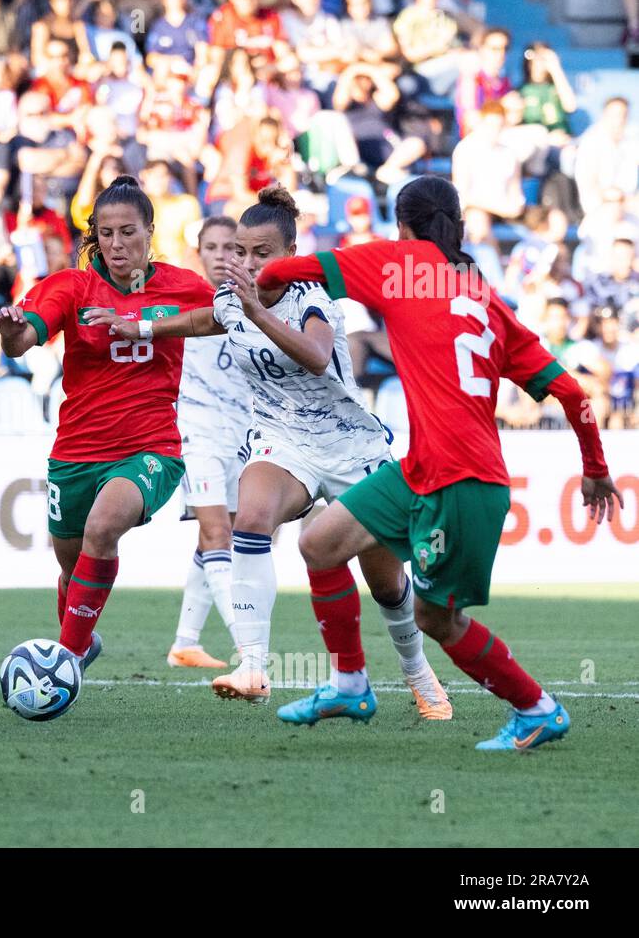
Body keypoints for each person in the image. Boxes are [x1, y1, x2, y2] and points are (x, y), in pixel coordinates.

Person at [254, 175, 621, 750]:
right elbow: (574, 395)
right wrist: (595, 468)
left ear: (401, 226)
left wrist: (260, 289)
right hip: (424, 467)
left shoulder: (396, 263)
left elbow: (280, 273)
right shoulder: (489, 301)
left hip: (462, 481)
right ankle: (350, 682)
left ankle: (537, 708)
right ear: (461, 228)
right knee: (320, 542)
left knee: (436, 618)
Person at [88, 186, 451, 717]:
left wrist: (257, 310)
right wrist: (141, 325)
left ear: (290, 254)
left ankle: (418, 673)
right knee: (252, 519)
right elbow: (200, 321)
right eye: (241, 250)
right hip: (284, 440)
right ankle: (253, 665)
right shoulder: (234, 299)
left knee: (386, 582)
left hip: (351, 446)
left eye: (262, 253)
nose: (247, 261)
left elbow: (316, 355)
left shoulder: (312, 296)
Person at [0, 175, 212, 675]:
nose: (116, 244)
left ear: (151, 232)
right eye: (106, 233)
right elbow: (25, 338)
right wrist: (10, 333)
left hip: (150, 447)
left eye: (128, 232)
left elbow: (229, 315)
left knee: (103, 526)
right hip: (75, 451)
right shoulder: (72, 285)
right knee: (72, 572)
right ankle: (80, 640)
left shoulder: (181, 285)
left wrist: (154, 326)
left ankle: (63, 663)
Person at [166, 217, 250, 669]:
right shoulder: (183, 299)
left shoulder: (255, 303)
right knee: (217, 532)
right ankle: (249, 647)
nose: (221, 255)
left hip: (241, 436)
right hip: (196, 434)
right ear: (198, 252)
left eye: (230, 248)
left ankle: (185, 642)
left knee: (224, 537)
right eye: (212, 247)